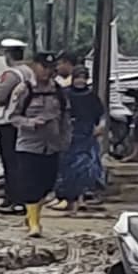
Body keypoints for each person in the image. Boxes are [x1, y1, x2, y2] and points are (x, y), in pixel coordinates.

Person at [5, 55, 69, 236]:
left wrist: (65, 140)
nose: (47, 71)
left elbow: (65, 118)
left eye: (51, 67)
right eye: (44, 67)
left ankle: (32, 215)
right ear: (34, 66)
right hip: (29, 145)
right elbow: (12, 116)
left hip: (52, 145)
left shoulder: (58, 91)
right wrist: (31, 122)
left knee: (47, 185)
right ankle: (34, 224)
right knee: (30, 185)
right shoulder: (24, 89)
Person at [54, 59, 107, 209]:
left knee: (86, 168)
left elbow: (101, 115)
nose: (80, 80)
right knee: (67, 168)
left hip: (87, 136)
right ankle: (67, 199)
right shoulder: (64, 94)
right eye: (78, 77)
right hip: (69, 136)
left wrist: (101, 127)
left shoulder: (91, 97)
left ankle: (82, 198)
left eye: (83, 77)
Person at [0, 38, 31, 212]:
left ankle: (14, 200)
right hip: (24, 122)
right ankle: (15, 199)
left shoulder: (12, 75)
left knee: (10, 162)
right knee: (19, 162)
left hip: (9, 121)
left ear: (8, 55)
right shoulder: (29, 72)